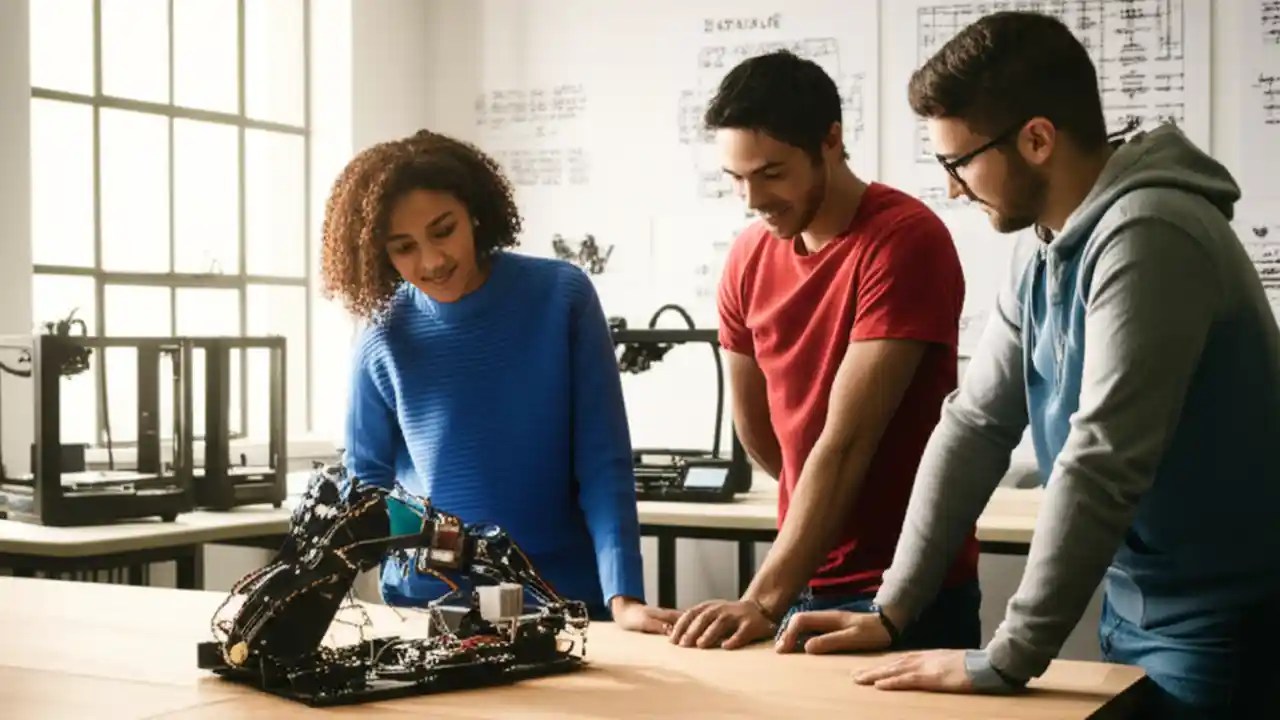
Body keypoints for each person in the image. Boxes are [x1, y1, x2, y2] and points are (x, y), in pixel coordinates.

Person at [791, 12, 1280, 718]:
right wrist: (892, 608)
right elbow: (973, 427)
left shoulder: (1150, 234)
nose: (953, 188)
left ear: (1038, 139)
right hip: (1136, 605)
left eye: (959, 163)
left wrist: (1010, 654)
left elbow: (1101, 458)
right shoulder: (1044, 248)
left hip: (1219, 622)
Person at [667, 50, 982, 652]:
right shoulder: (745, 259)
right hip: (801, 581)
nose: (752, 199)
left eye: (772, 173)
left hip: (905, 590)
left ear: (831, 141)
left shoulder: (903, 241)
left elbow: (844, 443)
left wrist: (762, 598)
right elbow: (761, 435)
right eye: (736, 178)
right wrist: (786, 579)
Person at [320, 129, 677, 634]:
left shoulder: (562, 297)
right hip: (422, 612)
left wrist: (625, 598)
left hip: (559, 604)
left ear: (474, 212)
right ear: (380, 255)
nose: (432, 261)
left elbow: (604, 462)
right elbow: (365, 491)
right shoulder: (381, 336)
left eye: (443, 230)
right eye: (404, 248)